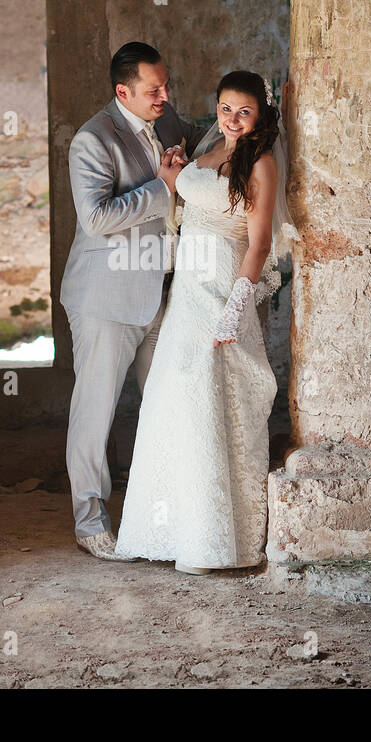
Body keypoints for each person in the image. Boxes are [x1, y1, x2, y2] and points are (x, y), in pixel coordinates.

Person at [114, 70, 297, 573]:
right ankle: (172, 531)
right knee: (174, 401)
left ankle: (217, 541)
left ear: (260, 115)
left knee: (216, 403)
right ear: (215, 109)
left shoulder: (259, 163)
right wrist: (176, 179)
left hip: (221, 292)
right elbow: (184, 205)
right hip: (188, 293)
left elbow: (259, 243)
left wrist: (235, 309)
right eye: (225, 109)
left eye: (244, 111)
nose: (232, 119)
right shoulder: (207, 154)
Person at [60, 41, 200, 560]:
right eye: (153, 89)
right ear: (123, 92)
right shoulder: (92, 140)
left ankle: (161, 513)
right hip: (105, 297)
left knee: (167, 405)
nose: (165, 96)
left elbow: (195, 142)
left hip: (163, 295)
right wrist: (164, 188)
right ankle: (90, 519)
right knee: (95, 413)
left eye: (166, 85)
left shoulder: (165, 121)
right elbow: (96, 218)